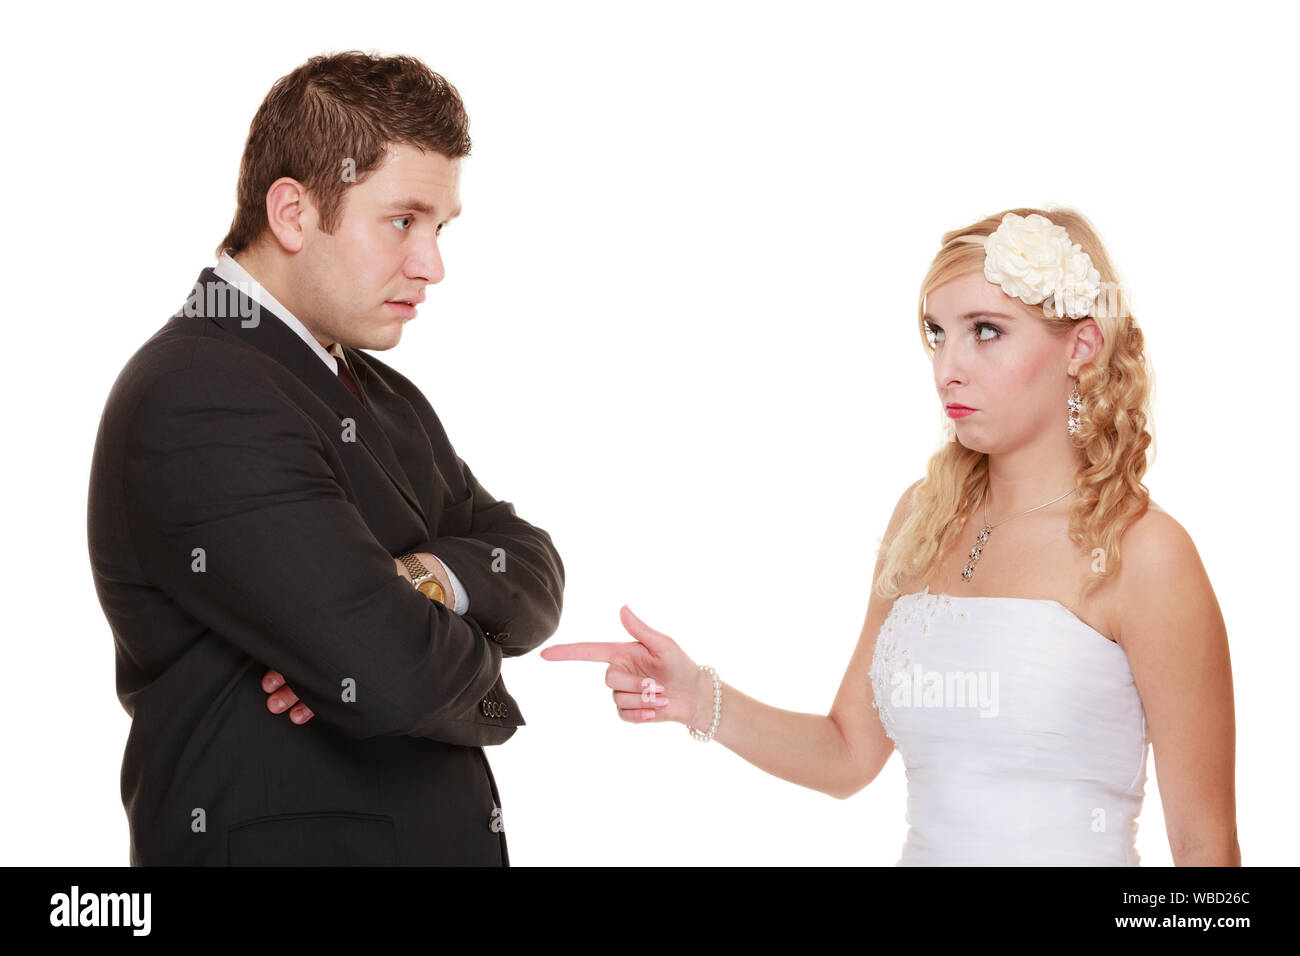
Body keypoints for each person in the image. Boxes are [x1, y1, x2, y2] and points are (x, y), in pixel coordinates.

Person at [542, 207, 1238, 866]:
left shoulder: (1144, 551)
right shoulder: (923, 517)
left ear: (1080, 345)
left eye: (986, 330)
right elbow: (848, 754)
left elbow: (1206, 850)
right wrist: (697, 697)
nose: (947, 368)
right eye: (938, 333)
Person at [87, 51, 564, 865]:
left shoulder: (380, 390)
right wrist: (461, 649)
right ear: (293, 212)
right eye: (403, 220)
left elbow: (533, 571)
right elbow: (393, 674)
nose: (433, 265)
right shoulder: (200, 390)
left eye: (440, 228)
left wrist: (420, 580)